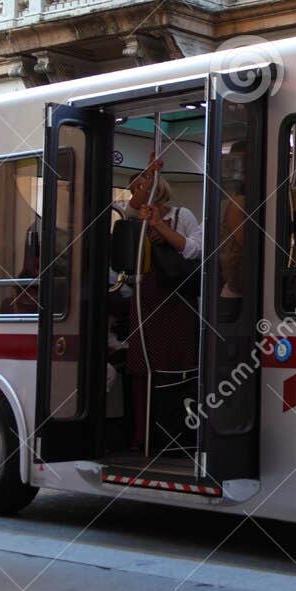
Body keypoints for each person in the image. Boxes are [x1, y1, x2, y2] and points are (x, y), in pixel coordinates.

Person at [122, 159, 203, 454]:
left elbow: (194, 250)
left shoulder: (183, 215)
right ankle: (142, 434)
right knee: (142, 368)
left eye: (144, 184)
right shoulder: (134, 217)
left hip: (176, 296)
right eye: (136, 187)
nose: (140, 190)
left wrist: (159, 228)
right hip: (146, 295)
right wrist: (149, 177)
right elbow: (132, 207)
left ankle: (172, 432)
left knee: (175, 367)